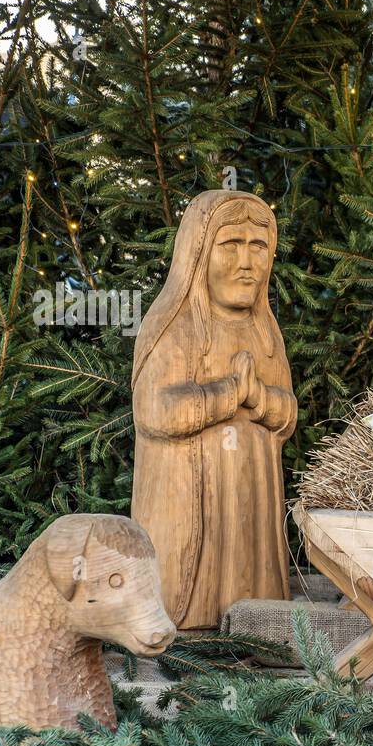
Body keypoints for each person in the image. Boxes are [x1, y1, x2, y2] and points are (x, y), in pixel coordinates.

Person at [132, 190, 297, 630]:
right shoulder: (175, 326)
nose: (247, 262)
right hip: (189, 498)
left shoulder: (265, 333)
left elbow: (288, 413)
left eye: (258, 247)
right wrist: (227, 394)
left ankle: (257, 623)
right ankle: (189, 621)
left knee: (251, 580)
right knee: (192, 587)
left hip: (252, 491)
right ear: (199, 252)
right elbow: (154, 412)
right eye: (231, 245)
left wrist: (260, 399)